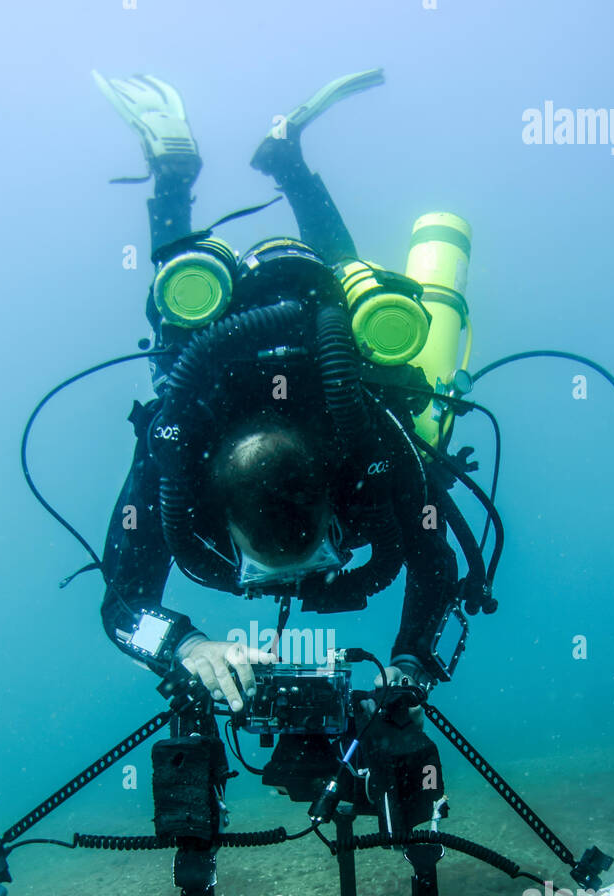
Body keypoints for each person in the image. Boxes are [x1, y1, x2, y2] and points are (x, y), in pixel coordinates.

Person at [94, 70, 469, 713]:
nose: (295, 583)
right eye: (265, 571)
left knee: (336, 288)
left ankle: (262, 165)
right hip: (223, 362)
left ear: (335, 505)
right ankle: (190, 170)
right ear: (223, 524)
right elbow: (123, 605)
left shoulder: (371, 441)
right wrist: (187, 646)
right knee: (178, 321)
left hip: (317, 342)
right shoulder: (177, 457)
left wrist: (409, 662)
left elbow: (436, 562)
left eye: (311, 555)